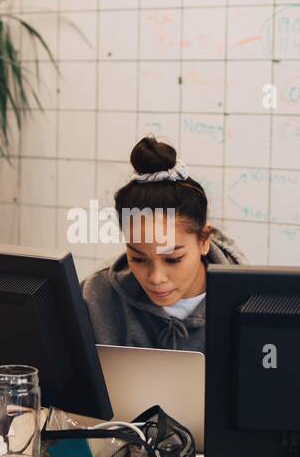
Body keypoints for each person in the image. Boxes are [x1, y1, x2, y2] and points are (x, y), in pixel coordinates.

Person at [81, 137, 245, 351]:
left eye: (173, 259)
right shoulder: (96, 295)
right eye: (138, 259)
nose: (156, 278)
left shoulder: (246, 301)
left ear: (204, 240)